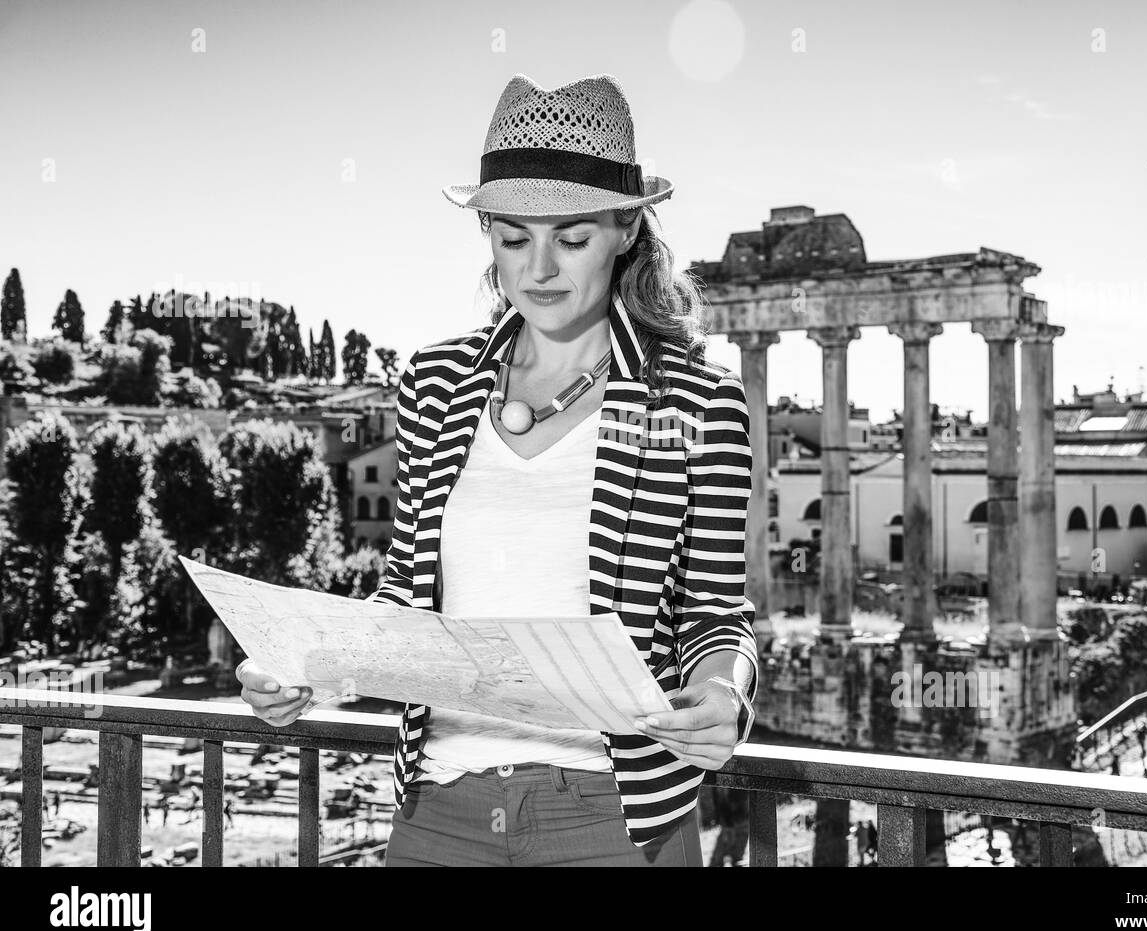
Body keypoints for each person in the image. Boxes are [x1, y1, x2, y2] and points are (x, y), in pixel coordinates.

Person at [238, 73, 757, 868]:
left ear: (626, 230)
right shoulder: (435, 382)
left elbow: (714, 612)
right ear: (487, 235)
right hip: (438, 808)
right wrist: (303, 667)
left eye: (572, 237)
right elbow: (407, 601)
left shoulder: (697, 398)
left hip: (615, 817)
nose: (539, 268)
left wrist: (724, 694)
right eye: (514, 238)